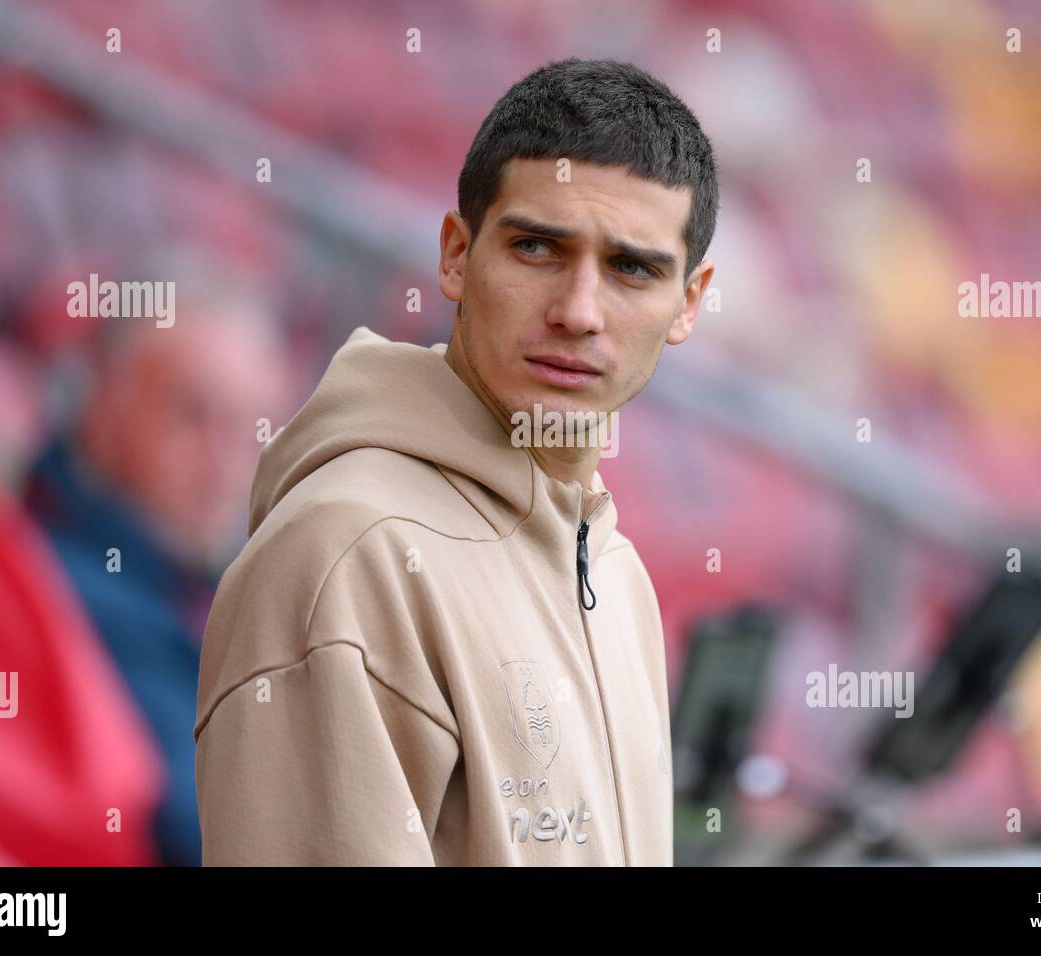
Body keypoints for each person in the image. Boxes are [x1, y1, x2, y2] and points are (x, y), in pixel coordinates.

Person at [194, 57, 717, 865]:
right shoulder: (347, 554)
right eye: (538, 248)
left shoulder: (617, 573)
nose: (579, 312)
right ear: (455, 255)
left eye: (632, 268)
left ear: (687, 301)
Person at [25, 289, 285, 865]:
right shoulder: (63, 583)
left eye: (248, 427)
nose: (225, 461)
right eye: (194, 414)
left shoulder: (189, 576)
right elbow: (212, 836)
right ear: (105, 407)